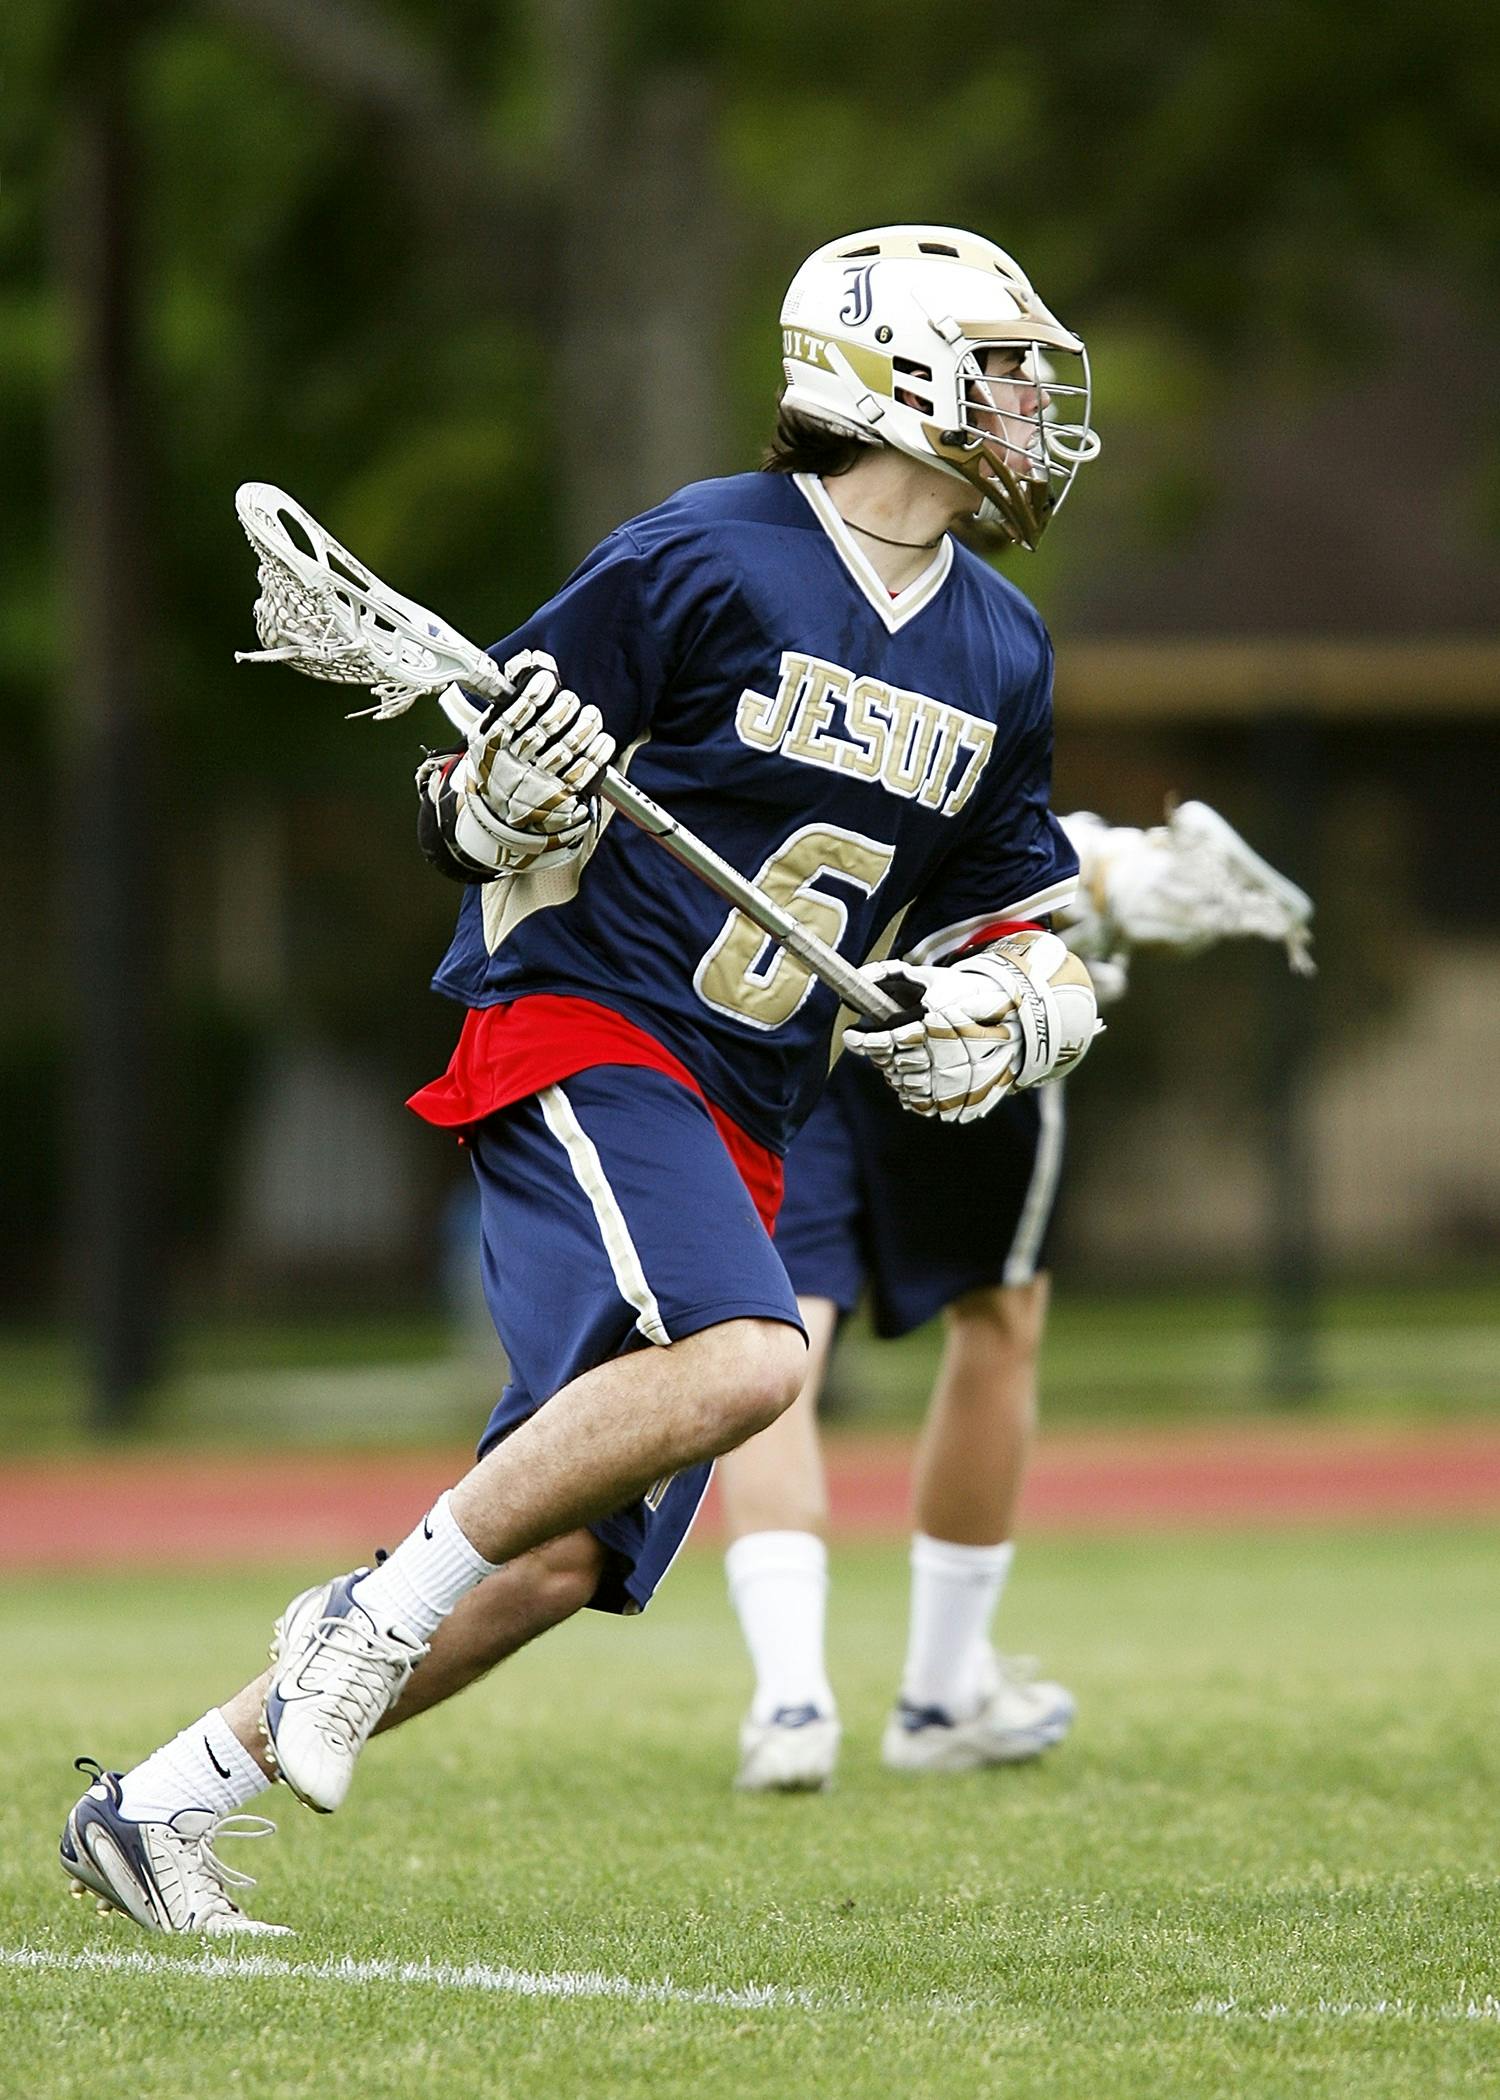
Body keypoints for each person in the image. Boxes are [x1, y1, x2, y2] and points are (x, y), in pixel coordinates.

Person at [60, 224, 1105, 1935]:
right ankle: (361, 1618)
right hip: (585, 1030)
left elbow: (1024, 921)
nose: (1023, 409)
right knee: (753, 1356)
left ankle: (162, 1808)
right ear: (890, 368)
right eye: (997, 368)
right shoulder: (710, 552)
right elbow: (455, 806)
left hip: (747, 1103)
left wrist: (1008, 1015)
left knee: (556, 1553)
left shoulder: (999, 644)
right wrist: (508, 804)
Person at [721, 801, 1315, 1791]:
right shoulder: (989, 644)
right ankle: (942, 1694)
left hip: (785, 990)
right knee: (998, 1312)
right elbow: (984, 799)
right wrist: (1107, 871)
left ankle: (791, 1703)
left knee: (780, 1320)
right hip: (960, 1000)